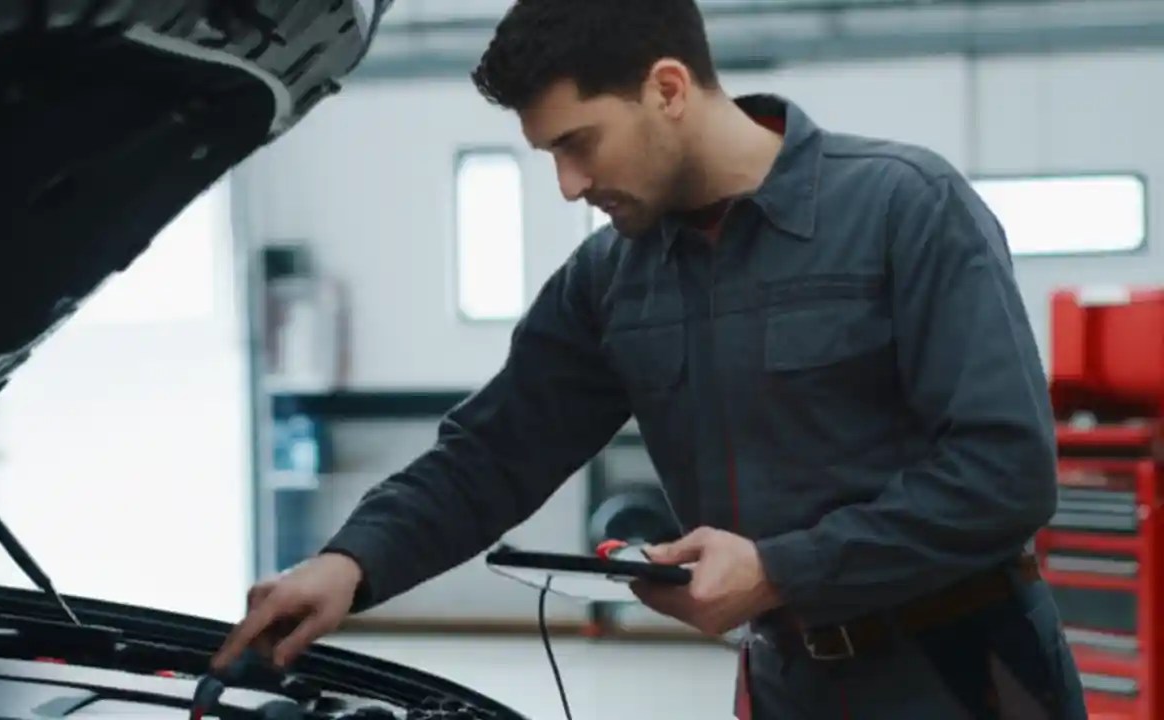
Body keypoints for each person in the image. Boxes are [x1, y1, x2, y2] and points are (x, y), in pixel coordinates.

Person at [214, 0, 1087, 716]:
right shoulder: (611, 279)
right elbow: (492, 452)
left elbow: (1006, 472)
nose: (568, 184)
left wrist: (781, 569)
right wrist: (350, 563)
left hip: (967, 680)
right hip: (793, 685)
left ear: (669, 88)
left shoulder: (907, 209)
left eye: (577, 143)